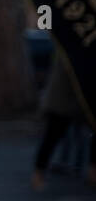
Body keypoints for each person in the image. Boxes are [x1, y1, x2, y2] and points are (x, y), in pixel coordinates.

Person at [31, 53, 96, 189]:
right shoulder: (72, 55)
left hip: (70, 103)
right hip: (64, 104)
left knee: (56, 138)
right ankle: (40, 173)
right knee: (53, 137)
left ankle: (87, 170)